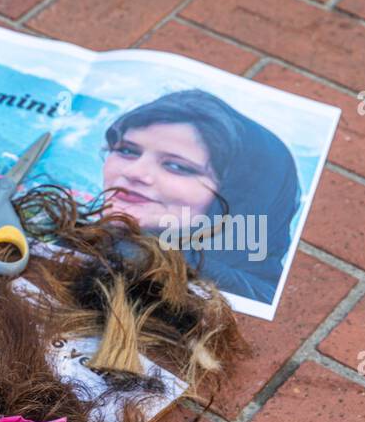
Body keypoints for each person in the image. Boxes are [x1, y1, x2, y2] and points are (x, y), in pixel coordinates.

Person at [100, 89, 301, 305]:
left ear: (238, 199)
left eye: (177, 166)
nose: (134, 172)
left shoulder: (245, 298)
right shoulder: (90, 239)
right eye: (128, 151)